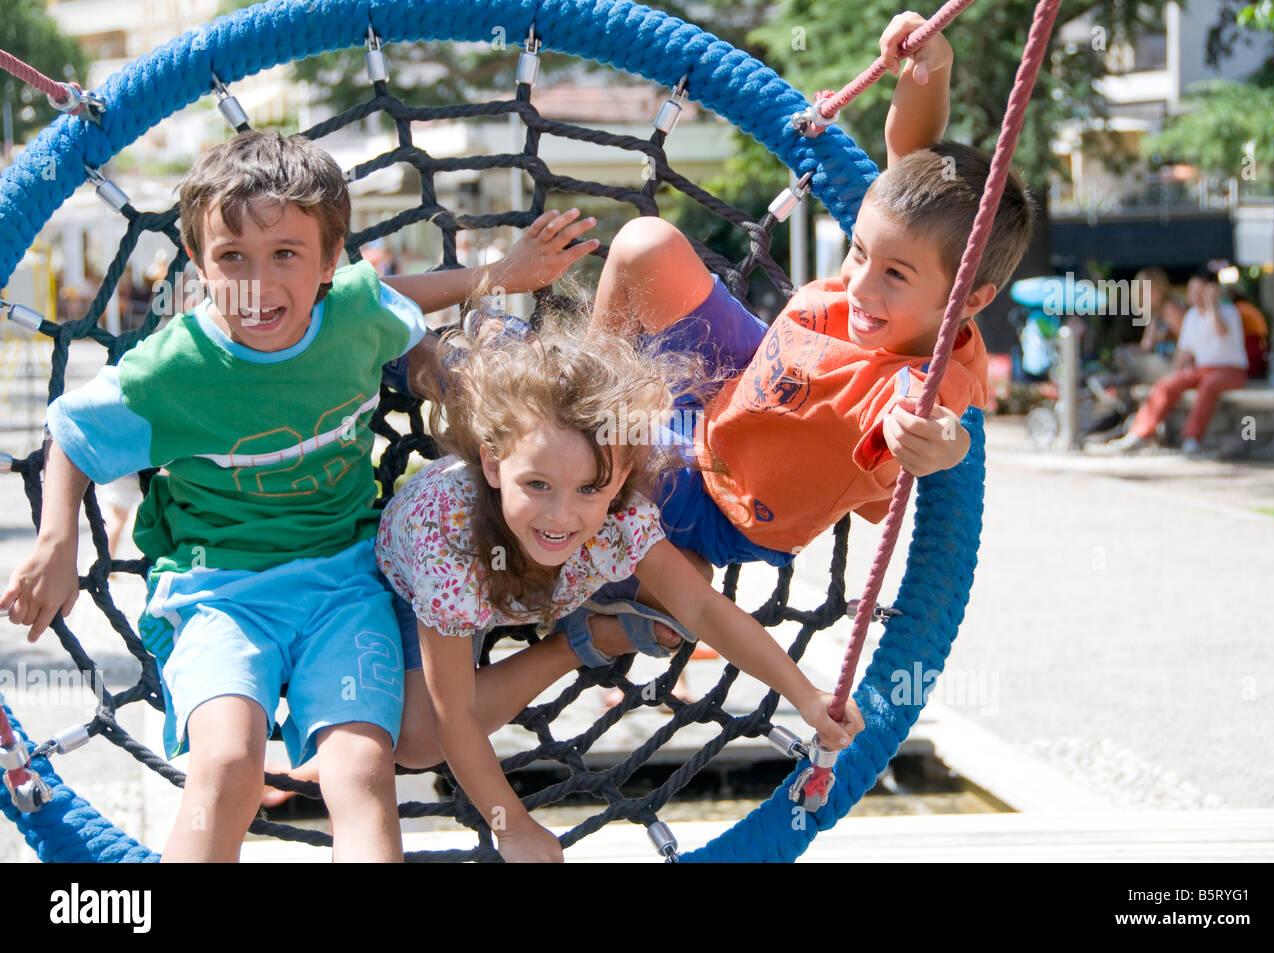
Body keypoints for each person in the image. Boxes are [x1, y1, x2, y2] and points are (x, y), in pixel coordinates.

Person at [0, 129, 598, 861]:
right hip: (219, 591)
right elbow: (74, 434)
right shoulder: (175, 368)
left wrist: (494, 280)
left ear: (328, 260)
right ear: (196, 263)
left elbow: (387, 300)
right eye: (232, 259)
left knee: (363, 767)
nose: (260, 285)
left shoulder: (351, 314)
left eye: (286, 254)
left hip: (343, 583)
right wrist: (58, 540)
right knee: (225, 763)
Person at [377, 324, 866, 863]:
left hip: (554, 577)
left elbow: (703, 609)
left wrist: (805, 694)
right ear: (493, 463)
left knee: (688, 580)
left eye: (590, 487)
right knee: (419, 742)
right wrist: (511, 825)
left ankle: (588, 617)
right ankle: (579, 641)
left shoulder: (616, 516)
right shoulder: (449, 540)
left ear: (621, 476)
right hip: (452, 588)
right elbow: (455, 715)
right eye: (537, 484)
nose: (561, 514)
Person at [579, 12, 1031, 583]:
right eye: (859, 252)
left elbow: (935, 419)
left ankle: (623, 537)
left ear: (969, 298)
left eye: (894, 275)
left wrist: (946, 444)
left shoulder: (931, 373)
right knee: (647, 244)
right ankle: (584, 389)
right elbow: (910, 152)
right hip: (748, 377)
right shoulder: (917, 246)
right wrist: (933, 67)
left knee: (586, 469)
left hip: (725, 492)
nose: (860, 284)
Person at [1106, 267, 1248, 455]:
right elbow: (1184, 351)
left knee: (1209, 386)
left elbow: (1220, 331)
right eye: (1192, 291)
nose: (1193, 296)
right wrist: (1175, 375)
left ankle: (1191, 439)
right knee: (1165, 386)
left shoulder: (1228, 311)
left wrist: (1213, 304)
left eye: (1199, 291)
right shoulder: (1191, 316)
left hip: (1230, 370)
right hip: (1202, 369)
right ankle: (1139, 433)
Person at [1113, 267, 1186, 385]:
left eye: (1151, 290)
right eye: (1143, 291)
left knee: (1137, 365)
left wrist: (1165, 337)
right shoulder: (1155, 315)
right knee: (1122, 355)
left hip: (1175, 365)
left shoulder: (1170, 308)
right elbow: (1146, 346)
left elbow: (1187, 342)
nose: (1147, 296)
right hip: (1161, 362)